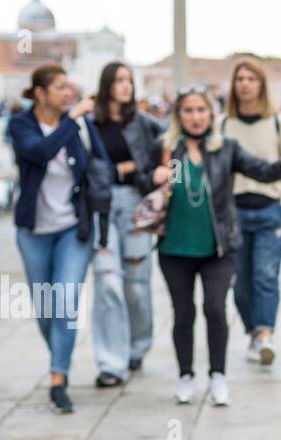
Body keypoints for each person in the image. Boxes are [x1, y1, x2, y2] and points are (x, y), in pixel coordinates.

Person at [149, 88, 281, 405]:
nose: (195, 117)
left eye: (201, 110)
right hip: (175, 247)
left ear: (211, 114)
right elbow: (148, 184)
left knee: (214, 309)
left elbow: (259, 170)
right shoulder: (168, 149)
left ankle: (217, 375)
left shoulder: (224, 149)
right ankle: (185, 376)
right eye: (189, 111)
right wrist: (153, 176)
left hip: (217, 247)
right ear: (179, 115)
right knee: (183, 313)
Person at [8, 63, 108, 414]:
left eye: (70, 88)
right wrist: (72, 120)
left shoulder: (80, 124)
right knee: (46, 307)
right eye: (60, 88)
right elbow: (39, 151)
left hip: (73, 227)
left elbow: (101, 165)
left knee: (65, 299)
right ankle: (59, 355)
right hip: (34, 230)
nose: (68, 94)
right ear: (40, 93)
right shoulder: (20, 124)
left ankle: (58, 376)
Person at [221, 58, 281, 367]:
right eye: (240, 78)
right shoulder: (223, 124)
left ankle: (265, 335)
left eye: (251, 79)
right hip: (235, 211)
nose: (245, 84)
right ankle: (254, 332)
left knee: (265, 276)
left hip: (270, 209)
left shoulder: (278, 122)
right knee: (240, 283)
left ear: (261, 85)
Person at [90, 61, 164, 386]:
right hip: (102, 208)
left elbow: (171, 148)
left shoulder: (145, 124)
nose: (125, 86)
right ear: (107, 84)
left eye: (129, 80)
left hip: (136, 205)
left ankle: (137, 346)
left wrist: (154, 172)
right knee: (107, 283)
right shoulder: (90, 123)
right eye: (119, 80)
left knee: (136, 284)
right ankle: (110, 362)